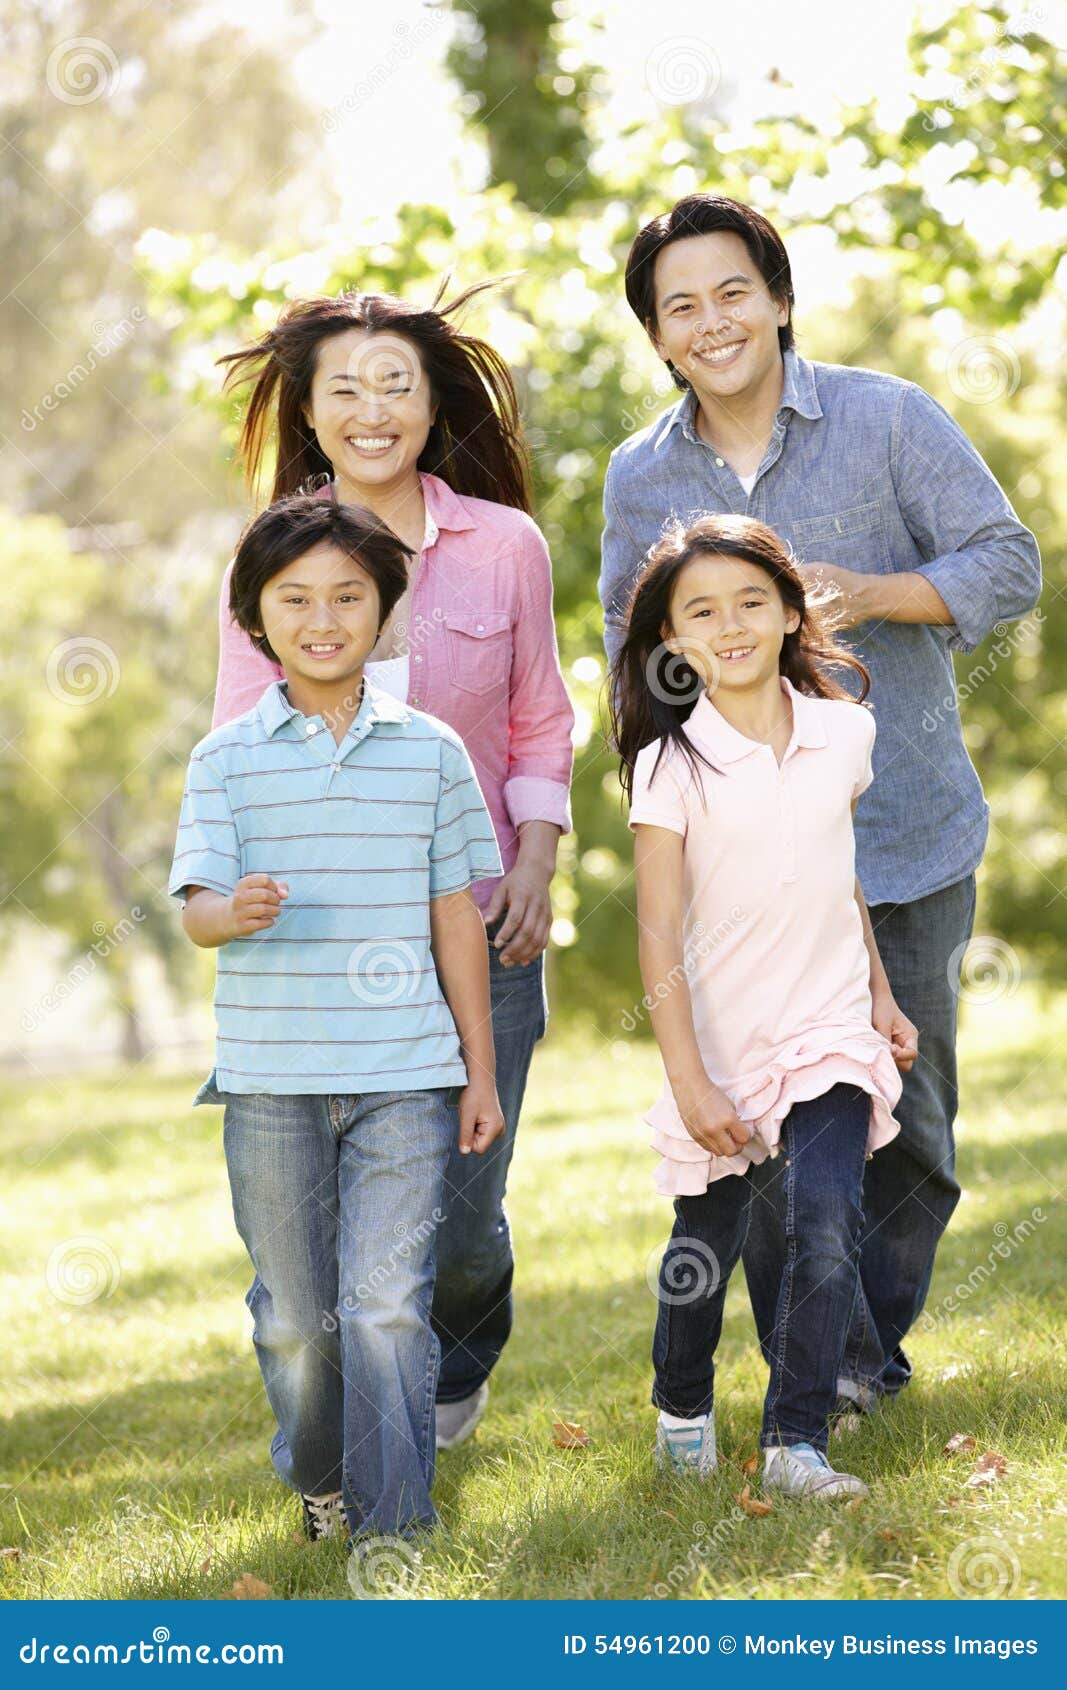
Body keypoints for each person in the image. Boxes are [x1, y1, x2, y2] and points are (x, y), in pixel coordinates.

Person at [599, 193, 1041, 1409]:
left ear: (778, 298)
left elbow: (1008, 565)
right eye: (678, 306)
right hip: (737, 868)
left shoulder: (887, 418)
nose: (710, 321)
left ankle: (859, 1345)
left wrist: (875, 591)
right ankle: (828, 1368)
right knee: (764, 1141)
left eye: (730, 291)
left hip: (899, 836)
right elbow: (625, 642)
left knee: (906, 1126)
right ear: (658, 335)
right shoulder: (641, 473)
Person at [212, 281, 575, 1448]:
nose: (373, 409)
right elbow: (233, 737)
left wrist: (537, 862)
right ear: (309, 415)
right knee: (319, 1231)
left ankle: (457, 1362)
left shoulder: (503, 544)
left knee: (464, 1219)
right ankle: (342, 1443)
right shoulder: (271, 556)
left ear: (430, 406)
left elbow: (538, 716)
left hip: (481, 925)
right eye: (345, 390)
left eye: (396, 386)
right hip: (322, 949)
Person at [168, 496, 505, 1543]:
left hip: (405, 1071)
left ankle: (395, 1523)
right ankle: (322, 1476)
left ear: (385, 612)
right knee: (293, 1319)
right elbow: (194, 915)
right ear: (256, 618)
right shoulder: (223, 759)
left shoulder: (433, 752)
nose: (324, 618)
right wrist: (236, 911)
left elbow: (457, 917)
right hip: (270, 1080)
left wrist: (479, 1074)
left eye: (349, 596)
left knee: (386, 1303)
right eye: (295, 598)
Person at [613, 512, 917, 1495]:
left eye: (750, 600)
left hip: (826, 1030)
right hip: (720, 1044)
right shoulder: (670, 764)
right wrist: (688, 1076)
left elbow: (839, 878)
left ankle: (795, 1441)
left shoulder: (844, 732)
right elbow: (656, 931)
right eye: (699, 610)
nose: (730, 623)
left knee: (824, 1212)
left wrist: (879, 997)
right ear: (670, 641)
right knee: (702, 1250)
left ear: (790, 610)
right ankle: (680, 1405)